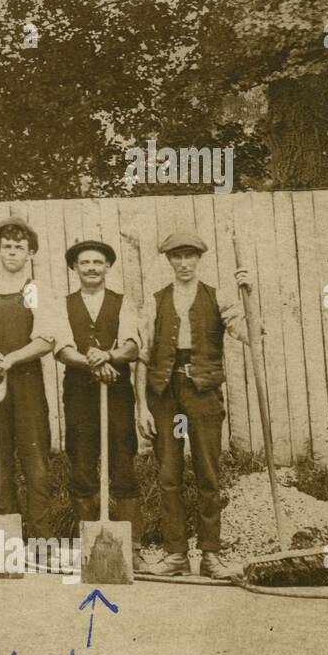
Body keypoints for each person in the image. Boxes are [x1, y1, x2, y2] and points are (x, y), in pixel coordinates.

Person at [135, 232, 253, 580]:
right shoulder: (156, 301)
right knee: (169, 474)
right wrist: (142, 405)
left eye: (190, 256)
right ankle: (176, 555)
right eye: (177, 257)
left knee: (208, 474)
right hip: (166, 395)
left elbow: (250, 332)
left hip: (201, 395)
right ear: (169, 261)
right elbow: (142, 355)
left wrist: (250, 295)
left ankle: (211, 556)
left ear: (199, 259)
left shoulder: (217, 298)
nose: (184, 264)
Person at [0, 216, 63, 547]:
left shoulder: (32, 291)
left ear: (30, 253)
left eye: (20, 247)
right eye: (7, 247)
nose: (12, 253)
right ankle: (5, 543)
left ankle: (42, 541)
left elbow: (46, 339)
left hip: (27, 384)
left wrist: (12, 358)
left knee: (36, 464)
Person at [54, 239, 146, 571]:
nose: (91, 268)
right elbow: (63, 349)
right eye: (84, 263)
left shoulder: (123, 303)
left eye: (97, 262)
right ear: (74, 269)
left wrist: (107, 355)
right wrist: (93, 364)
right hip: (79, 393)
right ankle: (88, 547)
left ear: (108, 267)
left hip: (117, 391)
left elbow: (132, 348)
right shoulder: (62, 304)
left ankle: (131, 548)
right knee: (81, 462)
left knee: (123, 460)